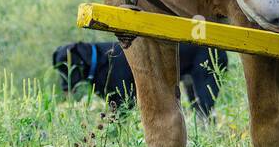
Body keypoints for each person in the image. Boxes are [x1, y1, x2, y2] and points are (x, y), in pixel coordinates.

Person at [52, 41, 227, 116]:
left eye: (70, 70)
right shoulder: (96, 66)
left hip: (204, 54)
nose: (66, 78)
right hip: (193, 55)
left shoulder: (110, 64)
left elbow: (125, 106)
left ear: (82, 59)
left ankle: (212, 145)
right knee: (199, 111)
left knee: (203, 111)